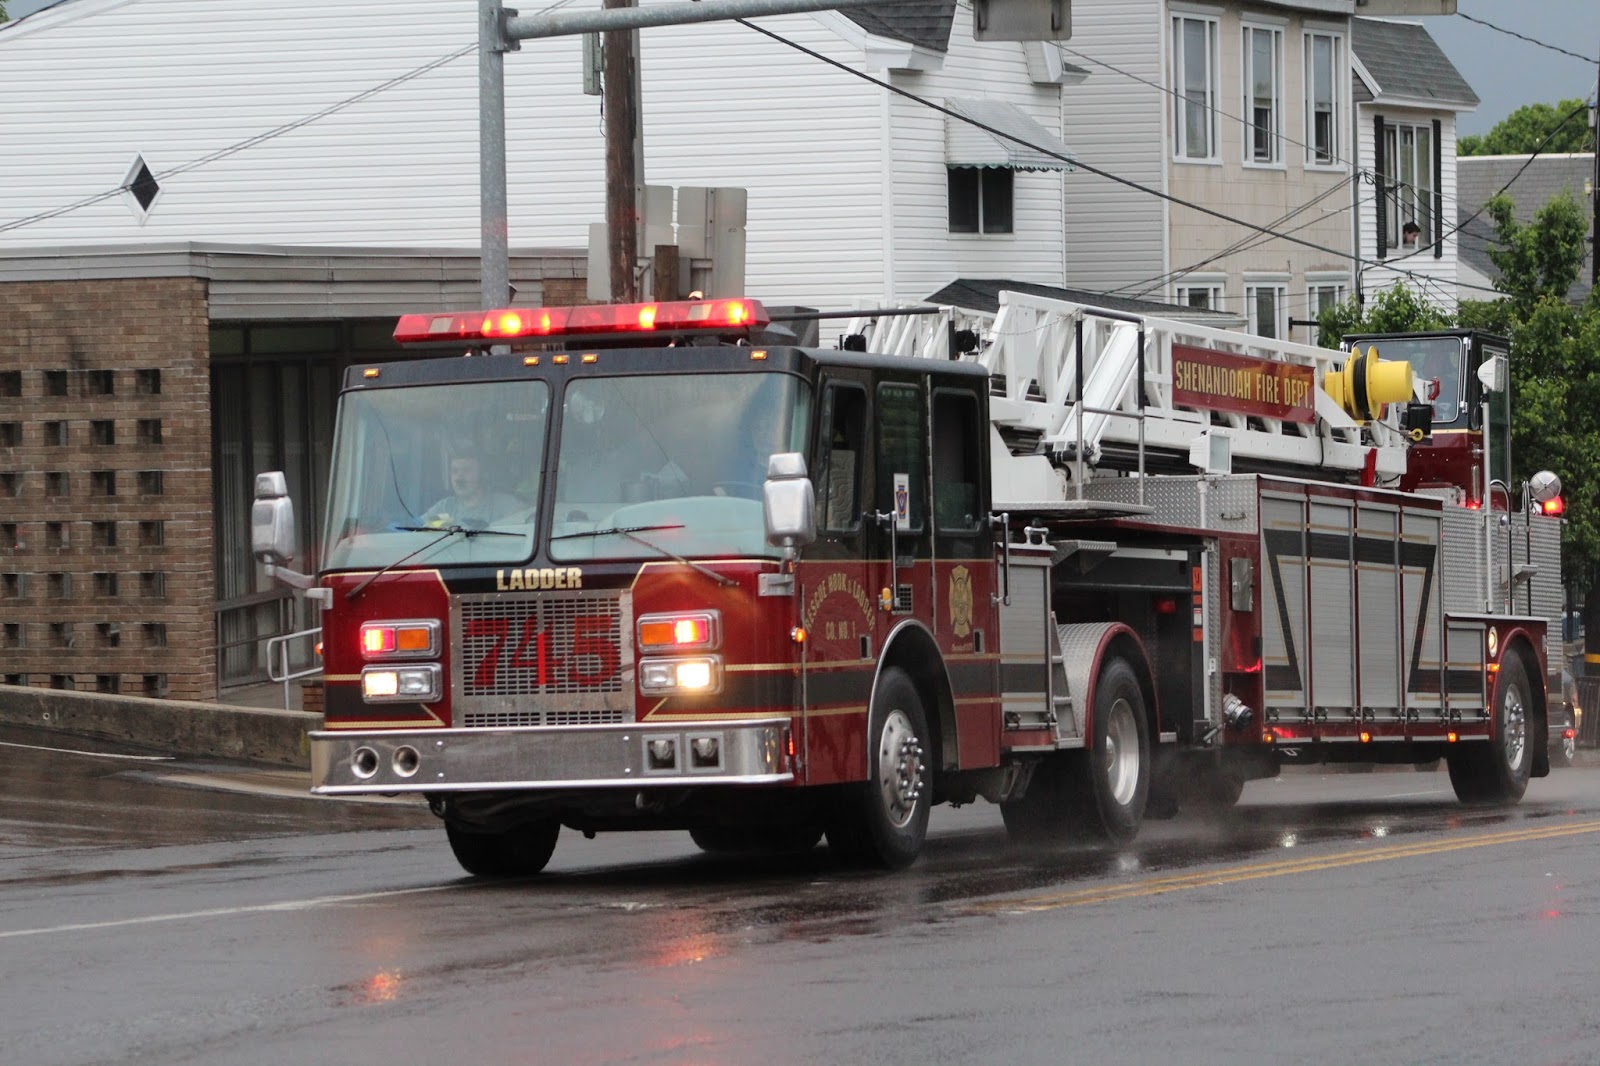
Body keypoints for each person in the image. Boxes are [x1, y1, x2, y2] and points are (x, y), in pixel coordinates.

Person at [421, 452, 522, 528]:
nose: (458, 478)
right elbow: (416, 530)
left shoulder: (506, 507)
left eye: (466, 470)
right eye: (455, 471)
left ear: (482, 475)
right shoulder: (446, 509)